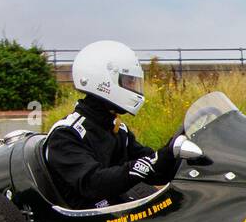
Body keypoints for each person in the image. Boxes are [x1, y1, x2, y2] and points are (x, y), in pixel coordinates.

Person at [44, 40, 183, 208]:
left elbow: (154, 171)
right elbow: (92, 184)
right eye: (129, 82)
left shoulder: (116, 129)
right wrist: (147, 164)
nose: (133, 87)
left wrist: (173, 154)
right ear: (103, 81)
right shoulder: (67, 134)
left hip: (114, 213)